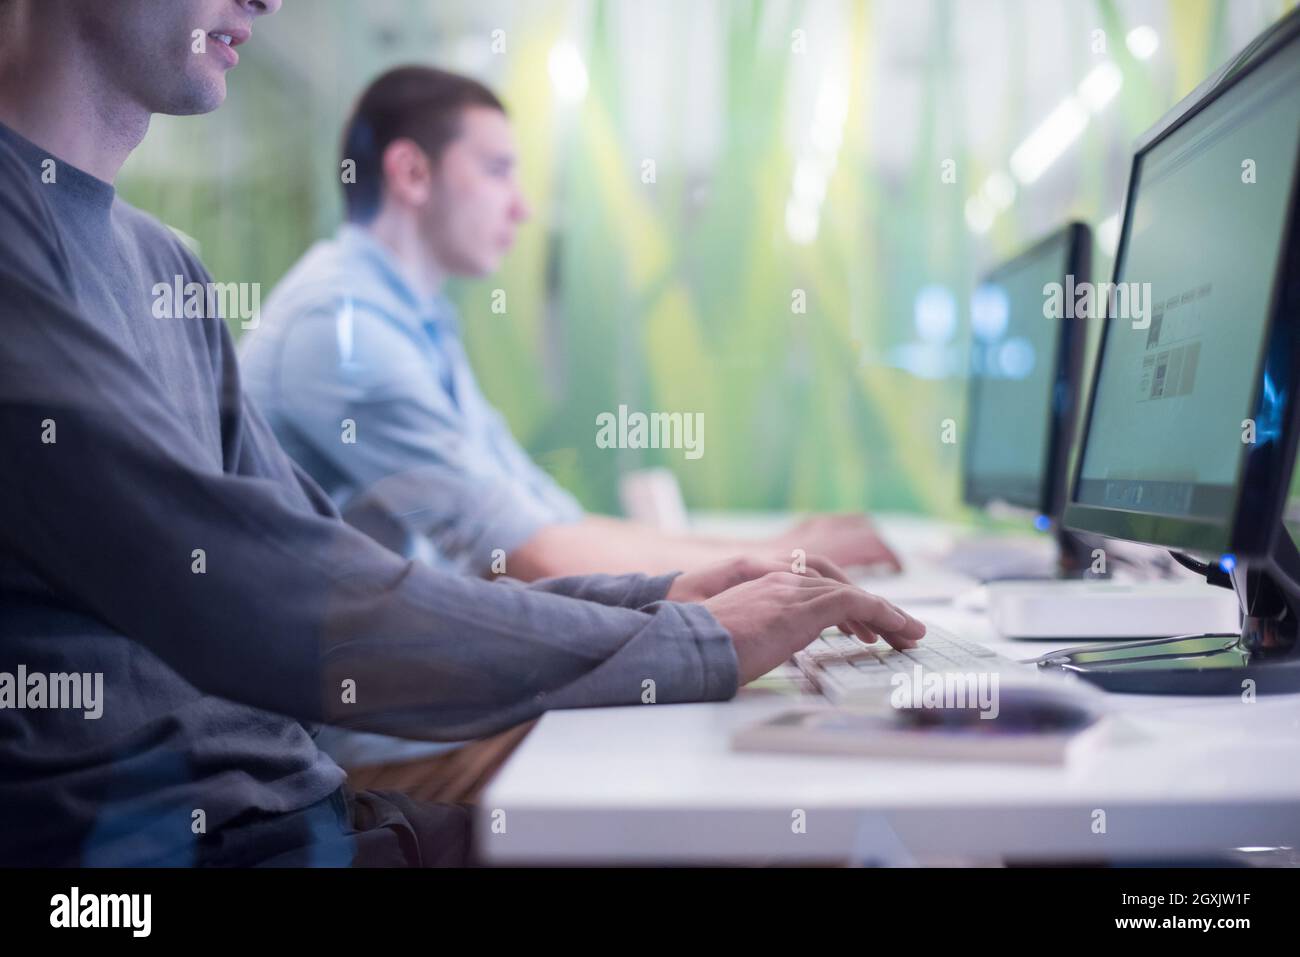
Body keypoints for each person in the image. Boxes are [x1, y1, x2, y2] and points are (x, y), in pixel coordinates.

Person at [0, 0, 925, 867]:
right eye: (498, 170)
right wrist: (695, 636)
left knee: (806, 814)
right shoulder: (327, 323)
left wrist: (661, 597)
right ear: (409, 173)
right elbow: (268, 593)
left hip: (304, 806)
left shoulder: (167, 264)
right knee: (791, 823)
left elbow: (317, 556)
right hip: (176, 852)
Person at [239, 66, 902, 585]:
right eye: (498, 171)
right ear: (412, 172)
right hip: (371, 743)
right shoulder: (342, 329)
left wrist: (776, 550)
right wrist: (783, 556)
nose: (523, 208)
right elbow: (532, 552)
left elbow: (549, 520)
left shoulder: (414, 322)